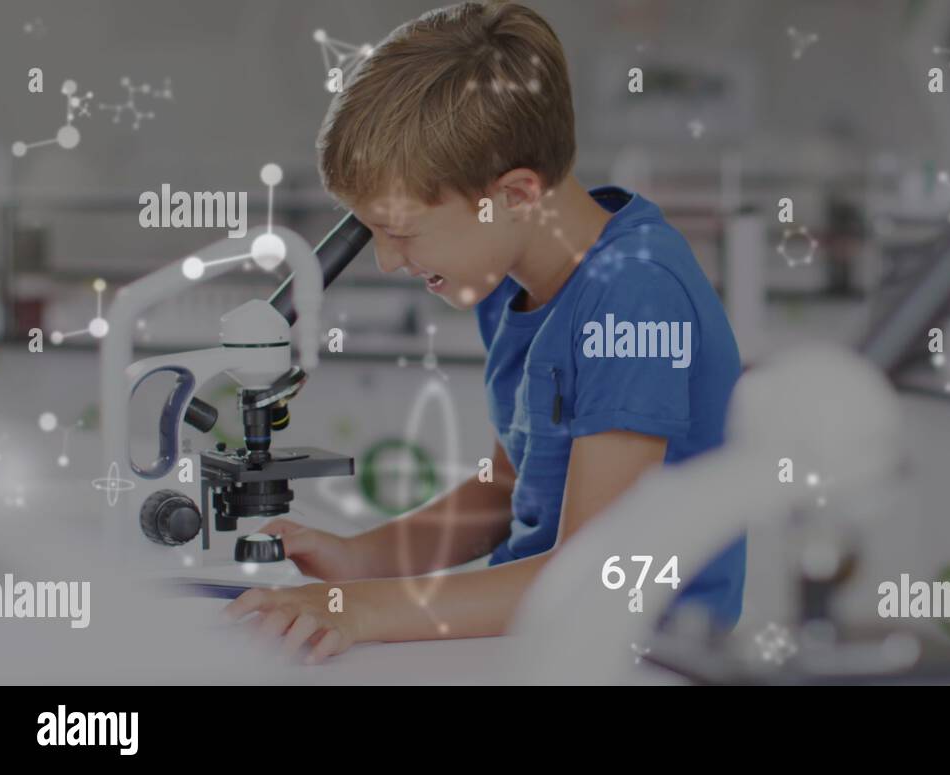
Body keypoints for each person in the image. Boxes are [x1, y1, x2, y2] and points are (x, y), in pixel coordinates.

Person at [224, 1, 746, 663]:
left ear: (518, 194)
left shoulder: (633, 298)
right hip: (545, 636)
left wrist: (359, 609)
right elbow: (507, 487)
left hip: (646, 658)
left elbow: (595, 577)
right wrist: (361, 560)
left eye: (403, 232)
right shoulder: (511, 282)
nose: (386, 260)